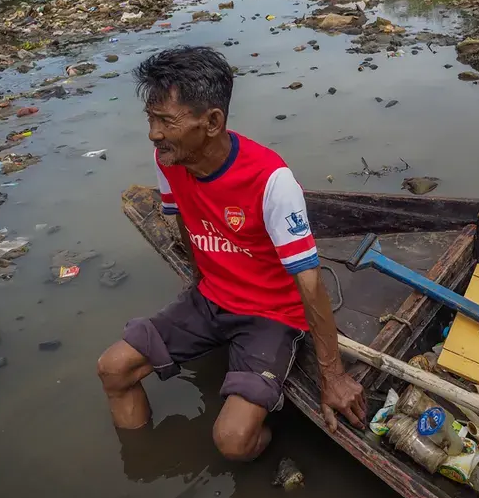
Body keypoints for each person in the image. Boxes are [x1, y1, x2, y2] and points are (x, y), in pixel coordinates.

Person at [98, 45, 366, 461]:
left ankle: (276, 444)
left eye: (165, 121)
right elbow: (184, 221)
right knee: (114, 368)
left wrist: (333, 375)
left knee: (234, 442)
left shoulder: (271, 180)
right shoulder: (169, 158)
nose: (153, 133)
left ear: (212, 122)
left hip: (270, 316)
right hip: (211, 298)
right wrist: (200, 282)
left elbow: (309, 281)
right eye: (150, 119)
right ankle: (140, 462)